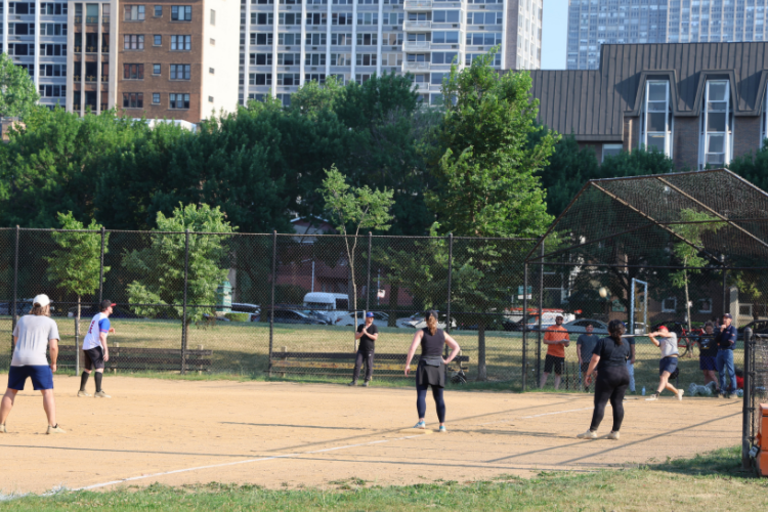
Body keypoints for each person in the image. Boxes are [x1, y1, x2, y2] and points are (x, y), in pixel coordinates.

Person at [0, 295, 65, 434]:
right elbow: (53, 347)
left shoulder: (22, 320)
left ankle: (1, 424)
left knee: (11, 391)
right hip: (38, 361)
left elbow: (16, 340)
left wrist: (22, 353)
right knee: (47, 392)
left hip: (18, 359)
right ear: (46, 307)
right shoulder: (50, 322)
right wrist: (53, 363)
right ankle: (52, 426)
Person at [404, 310, 460, 433]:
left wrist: (408, 364)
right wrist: (447, 360)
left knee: (421, 395)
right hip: (438, 367)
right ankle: (442, 425)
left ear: (425, 320)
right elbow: (456, 347)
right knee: (439, 398)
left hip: (424, 366)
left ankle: (421, 421)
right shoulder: (443, 334)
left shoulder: (420, 332)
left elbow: (413, 348)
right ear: (437, 320)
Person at [577, 320, 631, 440]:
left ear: (609, 330)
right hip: (623, 374)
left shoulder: (603, 341)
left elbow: (595, 359)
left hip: (608, 374)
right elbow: (626, 358)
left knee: (600, 403)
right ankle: (615, 432)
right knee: (617, 403)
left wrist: (588, 374)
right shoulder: (626, 343)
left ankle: (592, 431)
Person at [78, 300, 116, 398]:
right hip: (94, 345)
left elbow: (96, 329)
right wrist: (106, 351)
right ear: (107, 308)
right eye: (111, 306)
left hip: (87, 344)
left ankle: (82, 391)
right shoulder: (105, 320)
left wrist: (109, 330)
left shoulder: (97, 316)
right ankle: (98, 391)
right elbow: (102, 336)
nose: (112, 308)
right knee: (100, 368)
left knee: (88, 368)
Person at [646, 325, 684, 401]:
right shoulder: (662, 340)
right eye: (658, 330)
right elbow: (657, 343)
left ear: (666, 330)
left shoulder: (672, 334)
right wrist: (651, 337)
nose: (659, 331)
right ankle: (677, 392)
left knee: (663, 378)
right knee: (664, 383)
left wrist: (656, 333)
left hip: (672, 359)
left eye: (660, 330)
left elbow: (666, 334)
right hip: (663, 360)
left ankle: (656, 395)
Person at [348, 311, 378, 387]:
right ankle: (354, 380)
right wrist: (362, 332)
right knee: (357, 364)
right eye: (370, 317)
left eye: (372, 317)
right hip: (361, 349)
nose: (371, 319)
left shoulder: (374, 327)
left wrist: (366, 333)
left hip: (369, 349)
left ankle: (366, 381)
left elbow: (375, 337)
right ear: (366, 318)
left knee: (369, 365)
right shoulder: (361, 326)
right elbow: (356, 337)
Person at [540, 315, 569, 390]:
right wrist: (554, 342)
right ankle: (540, 388)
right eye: (558, 319)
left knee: (558, 373)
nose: (559, 320)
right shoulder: (550, 329)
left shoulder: (565, 330)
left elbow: (567, 343)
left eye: (561, 319)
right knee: (546, 371)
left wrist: (566, 343)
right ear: (555, 320)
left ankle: (555, 389)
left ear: (562, 321)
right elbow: (545, 341)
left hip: (560, 354)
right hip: (550, 353)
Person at [715, 313, 737, 398]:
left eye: (727, 318)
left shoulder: (733, 329)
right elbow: (716, 340)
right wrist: (720, 331)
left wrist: (720, 343)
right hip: (720, 352)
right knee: (721, 372)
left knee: (731, 372)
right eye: (724, 318)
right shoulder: (721, 329)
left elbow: (729, 342)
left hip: (728, 352)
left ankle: (734, 392)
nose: (724, 320)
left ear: (730, 320)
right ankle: (723, 391)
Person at [698, 321, 720, 392]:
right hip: (703, 356)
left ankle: (717, 387)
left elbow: (719, 344)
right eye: (707, 329)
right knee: (705, 373)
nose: (708, 330)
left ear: (713, 328)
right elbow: (698, 342)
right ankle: (706, 388)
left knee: (711, 373)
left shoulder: (715, 336)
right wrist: (700, 349)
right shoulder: (703, 335)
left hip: (711, 356)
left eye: (710, 329)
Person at [576, 324, 598, 392]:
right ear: (585, 328)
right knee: (586, 375)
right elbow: (578, 348)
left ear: (593, 329)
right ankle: (587, 390)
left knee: (596, 374)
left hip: (594, 360)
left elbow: (599, 349)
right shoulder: (581, 337)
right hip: (585, 359)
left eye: (591, 327)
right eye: (588, 327)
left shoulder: (596, 337)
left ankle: (597, 389)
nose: (589, 328)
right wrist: (580, 358)